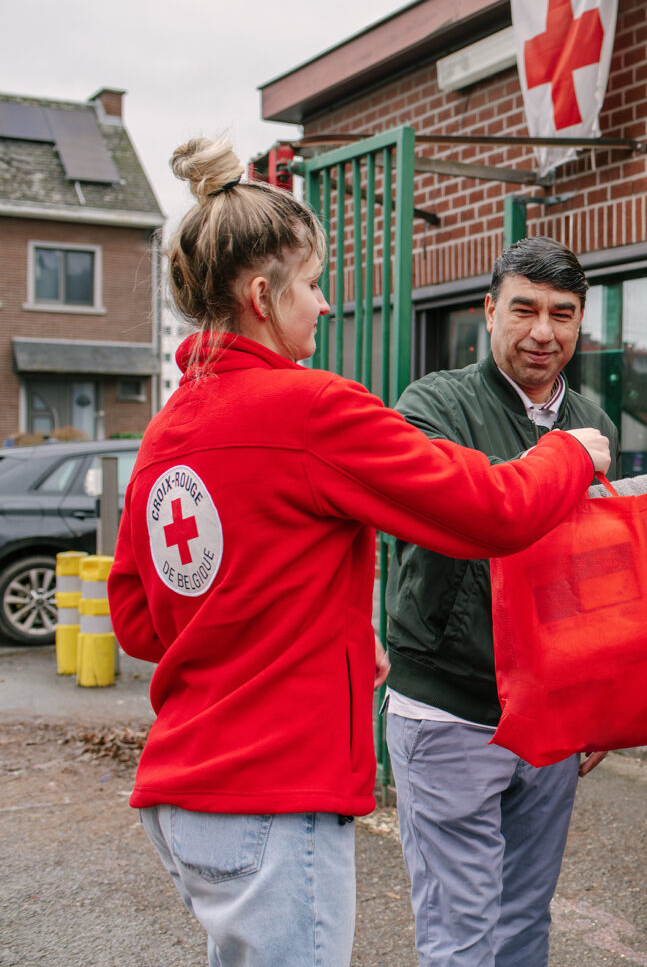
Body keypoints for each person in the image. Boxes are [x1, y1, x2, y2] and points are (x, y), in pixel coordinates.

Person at [108, 138, 611, 967]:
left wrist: (314, 632)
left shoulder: (169, 428)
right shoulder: (307, 409)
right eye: (313, 283)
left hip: (184, 789)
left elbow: (139, 618)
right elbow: (491, 511)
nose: (327, 305)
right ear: (262, 296)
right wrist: (569, 453)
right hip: (275, 784)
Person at [383, 236, 618, 967]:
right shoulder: (433, 404)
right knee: (460, 939)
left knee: (523, 928)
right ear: (488, 312)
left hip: (546, 720)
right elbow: (475, 509)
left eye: (563, 314)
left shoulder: (594, 422)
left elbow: (598, 580)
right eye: (524, 310)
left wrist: (600, 699)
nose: (543, 332)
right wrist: (559, 459)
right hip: (449, 707)